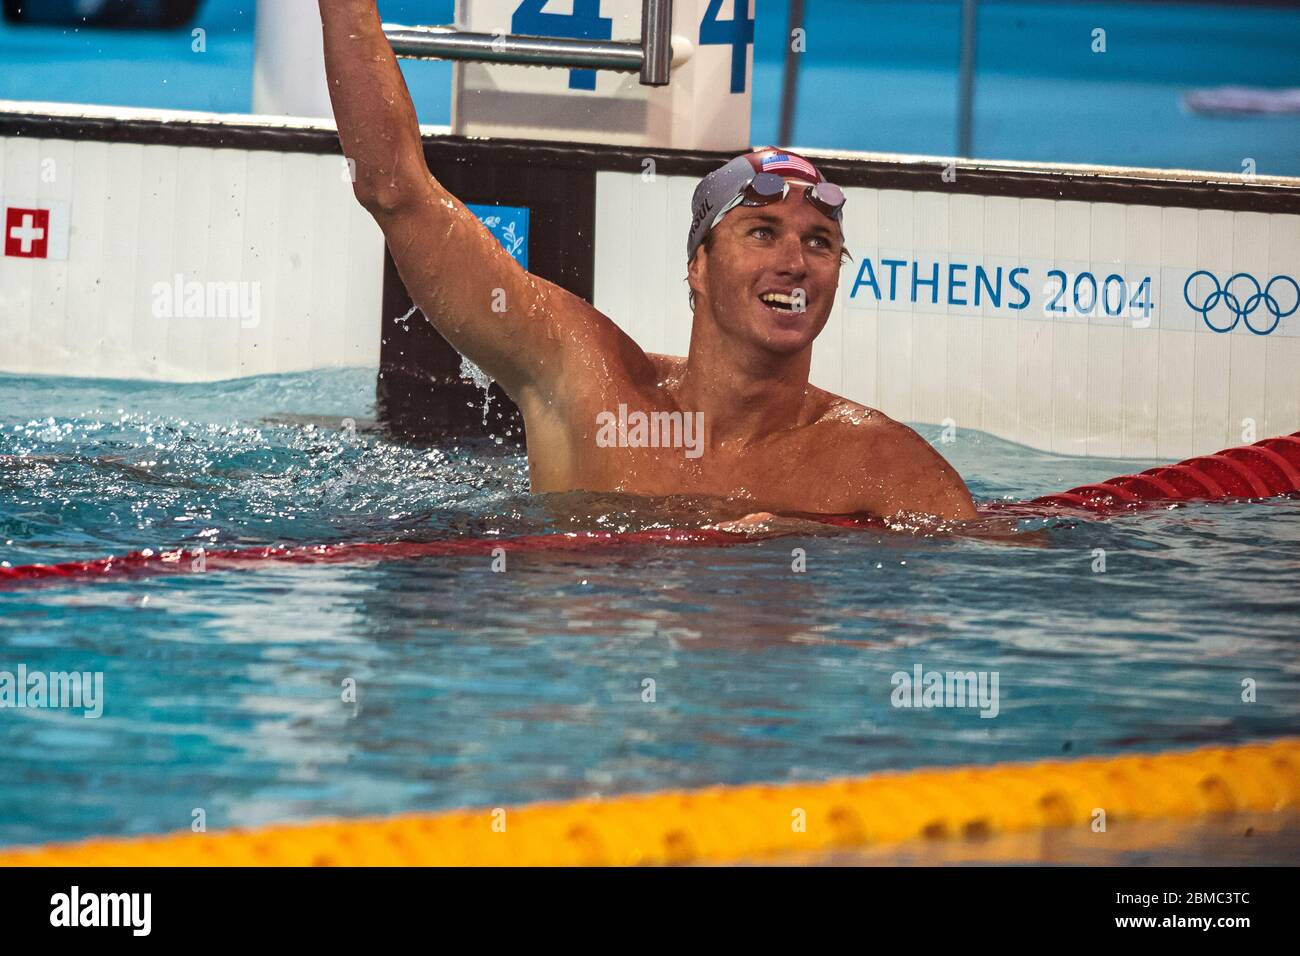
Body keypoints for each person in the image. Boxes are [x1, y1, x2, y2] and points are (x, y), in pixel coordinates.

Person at [318, 0, 977, 524]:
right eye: (762, 232)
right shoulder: (584, 380)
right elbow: (395, 191)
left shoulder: (884, 467)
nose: (794, 262)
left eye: (820, 242)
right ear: (699, 267)